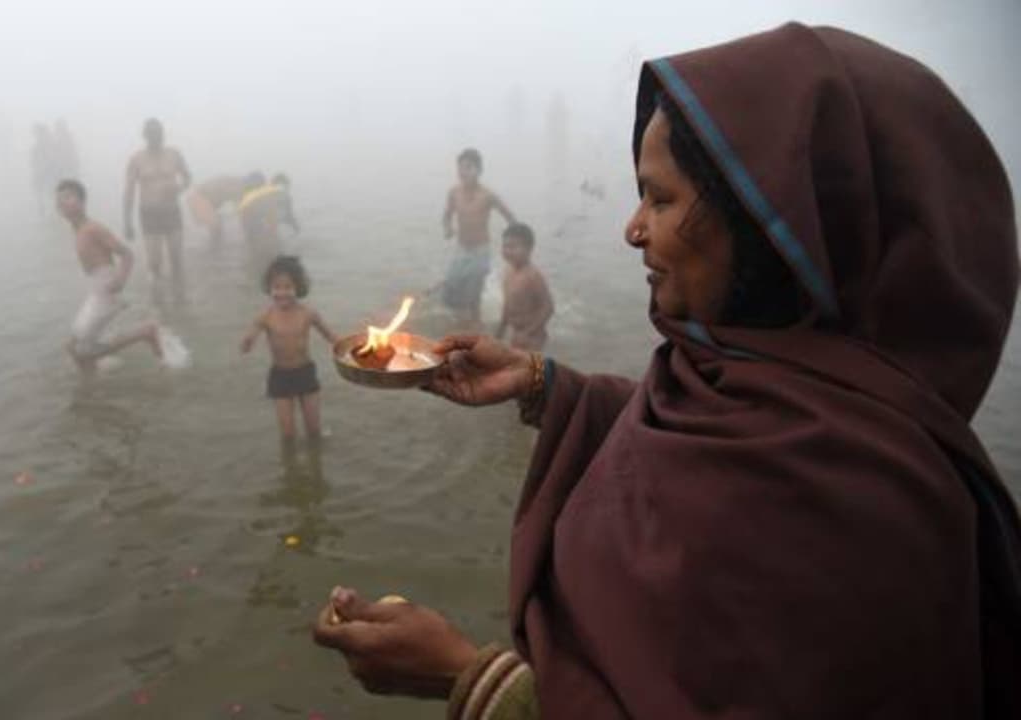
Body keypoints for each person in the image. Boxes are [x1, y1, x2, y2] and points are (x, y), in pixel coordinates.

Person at [312, 23, 1021, 719]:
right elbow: (696, 443)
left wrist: (471, 681)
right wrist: (541, 384)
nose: (632, 228)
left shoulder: (860, 512)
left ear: (770, 223)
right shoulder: (740, 379)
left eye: (660, 197)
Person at [56, 179, 170, 376]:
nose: (62, 202)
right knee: (72, 347)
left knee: (81, 350)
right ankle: (92, 381)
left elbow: (127, 254)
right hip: (96, 291)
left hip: (107, 291)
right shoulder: (77, 228)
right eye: (59, 200)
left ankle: (145, 333)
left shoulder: (92, 228)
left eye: (68, 197)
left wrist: (120, 280)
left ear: (82, 202)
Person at [240, 255, 337, 441]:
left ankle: (315, 462)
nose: (282, 293)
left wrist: (354, 350)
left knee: (314, 430)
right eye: (276, 287)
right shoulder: (266, 316)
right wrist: (247, 342)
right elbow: (251, 335)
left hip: (305, 373)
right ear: (269, 288)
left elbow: (331, 337)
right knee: (287, 434)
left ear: (298, 288)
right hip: (280, 376)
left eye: (288, 287)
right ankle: (290, 466)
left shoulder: (308, 314)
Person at [441, 148, 516, 330]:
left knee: (473, 292)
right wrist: (448, 228)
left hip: (481, 250)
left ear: (479, 170)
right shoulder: (454, 192)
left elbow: (509, 217)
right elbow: (447, 215)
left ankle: (476, 324)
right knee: (450, 291)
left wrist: (514, 245)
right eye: (460, 168)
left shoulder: (487, 195)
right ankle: (461, 319)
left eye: (468, 167)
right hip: (461, 248)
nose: (463, 172)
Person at [123, 118, 192, 286]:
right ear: (145, 136)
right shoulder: (137, 159)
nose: (156, 138)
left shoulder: (174, 154)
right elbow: (129, 191)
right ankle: (157, 301)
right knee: (154, 262)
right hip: (149, 212)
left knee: (176, 258)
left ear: (163, 135)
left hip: (171, 210)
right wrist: (127, 221)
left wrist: (179, 188)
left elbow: (188, 177)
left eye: (159, 134)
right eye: (152, 134)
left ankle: (179, 298)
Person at [495, 223, 553, 351]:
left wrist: (528, 332)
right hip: (516, 332)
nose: (507, 251)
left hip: (533, 336)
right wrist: (501, 329)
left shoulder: (533, 275)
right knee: (517, 366)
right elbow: (508, 304)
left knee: (534, 369)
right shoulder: (508, 272)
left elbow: (548, 307)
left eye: (513, 247)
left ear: (529, 249)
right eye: (505, 246)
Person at [186, 173, 254, 245]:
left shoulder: (237, 183)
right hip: (198, 197)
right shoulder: (238, 186)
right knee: (215, 226)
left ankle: (214, 248)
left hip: (199, 197)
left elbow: (241, 208)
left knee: (216, 227)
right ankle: (213, 250)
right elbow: (243, 210)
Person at [29, 123, 57, 217]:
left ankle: (51, 213)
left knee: (49, 192)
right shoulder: (38, 145)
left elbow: (51, 157)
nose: (36, 135)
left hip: (48, 171)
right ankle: (44, 212)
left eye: (37, 133)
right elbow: (34, 159)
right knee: (41, 193)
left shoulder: (48, 143)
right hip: (42, 171)